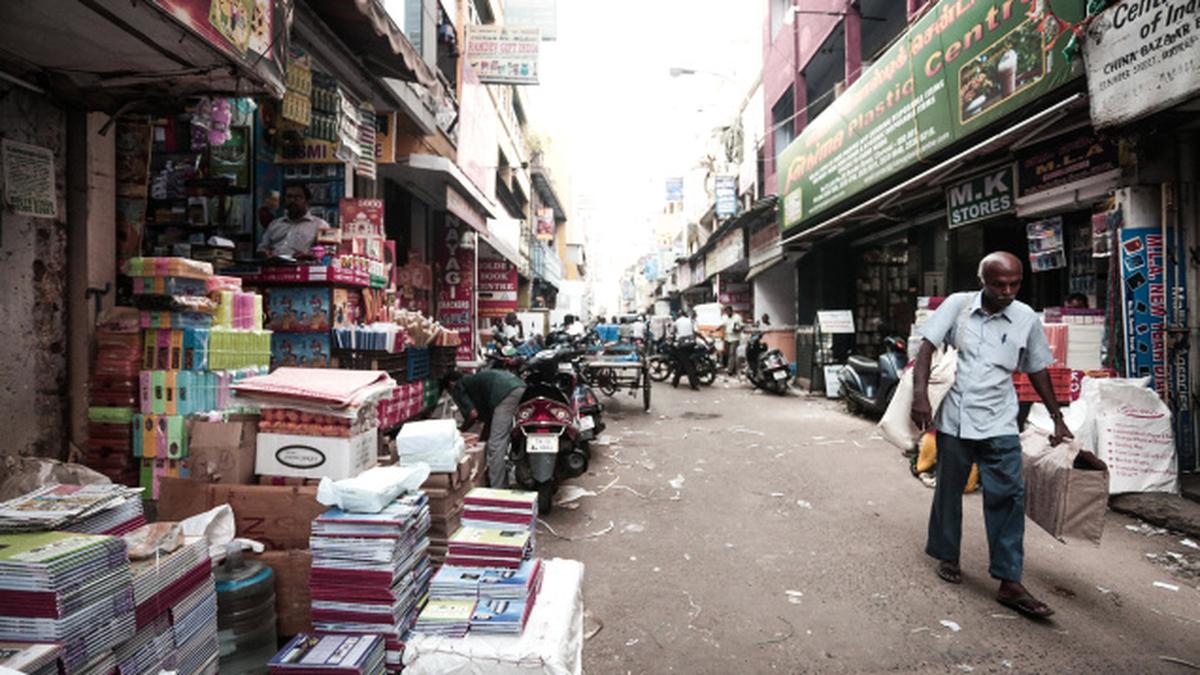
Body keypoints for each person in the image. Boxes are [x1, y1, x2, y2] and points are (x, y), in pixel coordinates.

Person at [910, 251, 1071, 620]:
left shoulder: (1026, 317)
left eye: (1014, 283)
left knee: (1009, 497)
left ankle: (1009, 580)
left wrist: (1057, 418)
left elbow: (1037, 369)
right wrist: (920, 397)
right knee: (949, 490)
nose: (1007, 290)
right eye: (999, 284)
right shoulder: (958, 305)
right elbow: (926, 350)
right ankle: (947, 553)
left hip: (999, 419)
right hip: (956, 418)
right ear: (982, 279)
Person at [444, 369, 526, 488]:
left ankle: (497, 487)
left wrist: (460, 431)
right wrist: (482, 440)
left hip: (506, 393)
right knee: (503, 436)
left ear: (450, 384)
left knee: (496, 444)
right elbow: (489, 420)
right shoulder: (475, 382)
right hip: (519, 386)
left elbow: (473, 414)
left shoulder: (458, 385)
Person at [258, 184, 329, 257]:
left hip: (302, 266)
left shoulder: (320, 225)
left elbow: (327, 252)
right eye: (289, 197)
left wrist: (309, 255)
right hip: (274, 265)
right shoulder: (275, 224)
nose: (292, 200)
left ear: (307, 201)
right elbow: (262, 248)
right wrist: (265, 253)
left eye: (297, 197)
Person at [670, 311, 699, 390]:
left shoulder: (676, 322)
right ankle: (675, 382)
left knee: (687, 364)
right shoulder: (690, 321)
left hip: (682, 345)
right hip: (691, 344)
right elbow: (695, 332)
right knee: (682, 363)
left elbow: (672, 333)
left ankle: (694, 384)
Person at [719, 306, 744, 375]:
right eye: (726, 312)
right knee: (727, 354)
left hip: (735, 338)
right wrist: (714, 330)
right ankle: (733, 368)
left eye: (728, 311)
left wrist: (737, 330)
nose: (727, 313)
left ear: (731, 311)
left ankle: (730, 370)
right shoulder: (724, 317)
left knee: (732, 353)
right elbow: (722, 325)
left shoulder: (737, 317)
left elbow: (742, 326)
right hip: (727, 338)